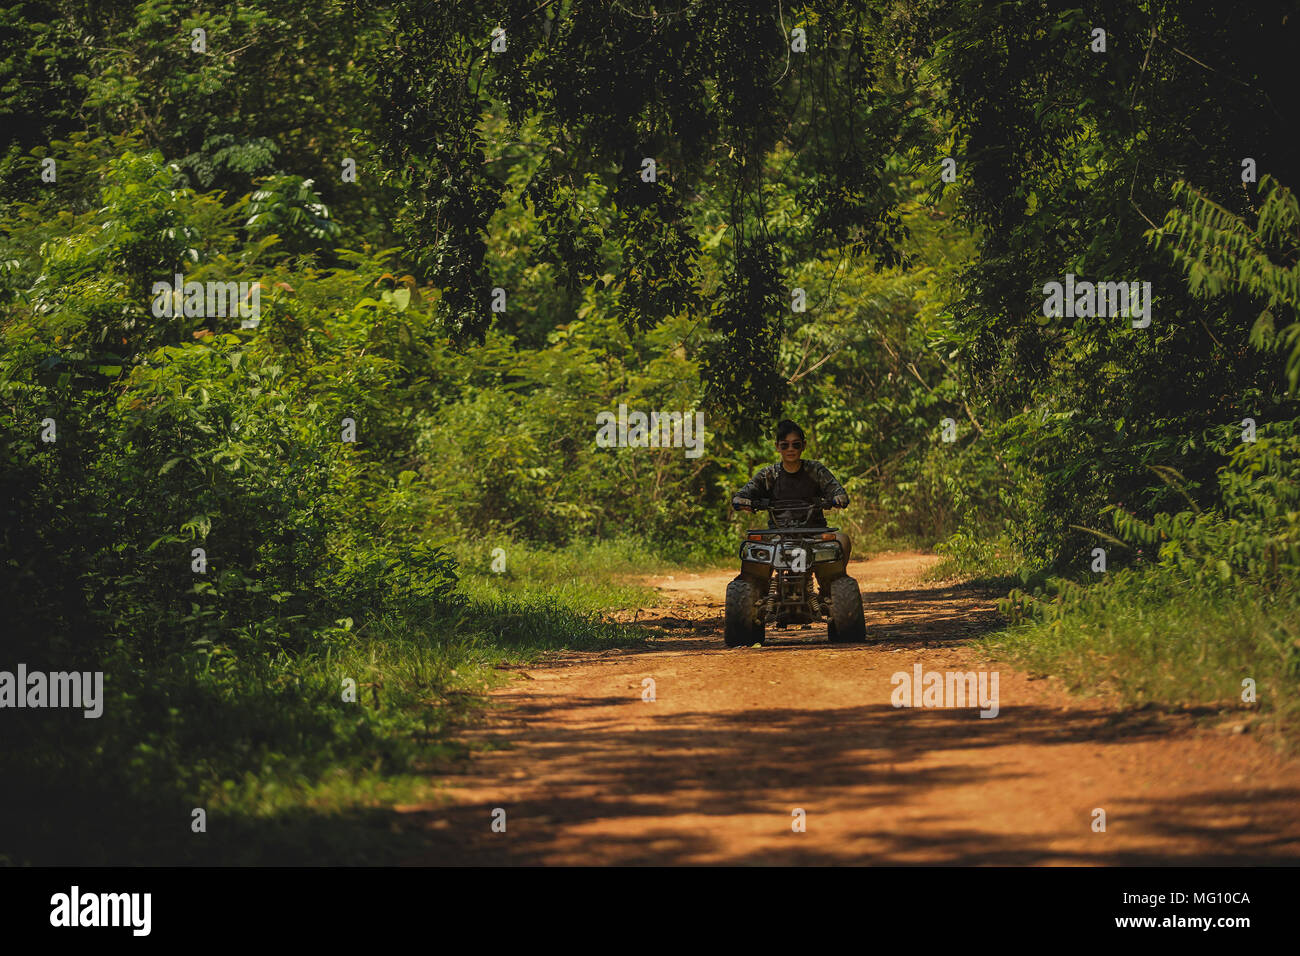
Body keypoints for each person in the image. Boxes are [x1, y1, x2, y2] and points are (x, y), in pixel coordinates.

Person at [732, 419, 852, 561]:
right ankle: (754, 584)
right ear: (777, 447)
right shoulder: (769, 475)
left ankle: (831, 583)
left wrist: (838, 498)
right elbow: (743, 494)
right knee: (751, 555)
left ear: (803, 446)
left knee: (842, 541)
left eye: (796, 445)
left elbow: (838, 491)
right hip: (777, 535)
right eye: (785, 445)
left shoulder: (815, 470)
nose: (790, 449)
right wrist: (742, 501)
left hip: (815, 533)